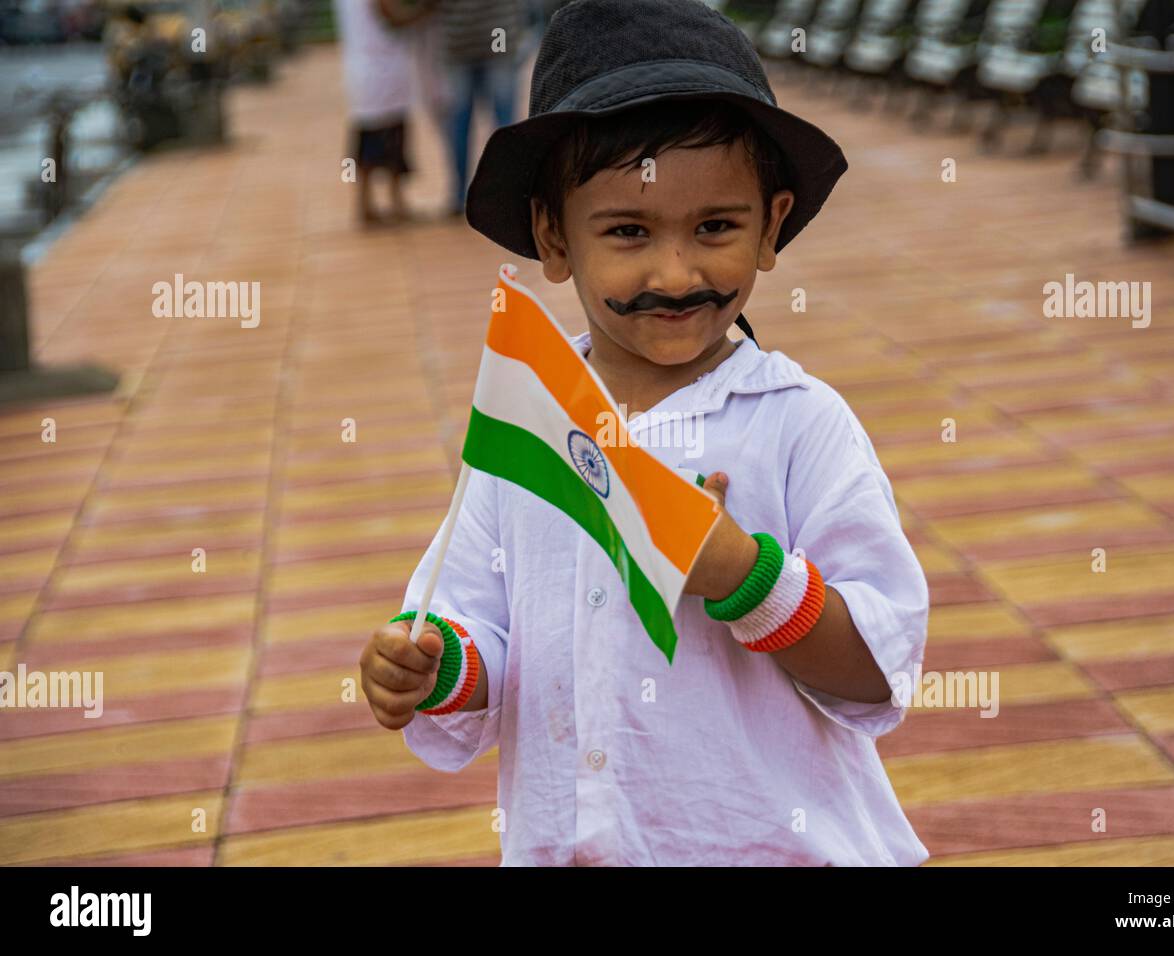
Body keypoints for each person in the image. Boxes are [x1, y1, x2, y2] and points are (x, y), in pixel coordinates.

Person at [358, 0, 931, 866]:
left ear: (771, 225)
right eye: (628, 232)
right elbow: (477, 630)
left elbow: (879, 667)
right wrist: (435, 665)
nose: (675, 271)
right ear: (555, 238)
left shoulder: (799, 424)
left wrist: (747, 578)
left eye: (716, 228)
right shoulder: (526, 431)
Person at [434, 0, 528, 216]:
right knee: (505, 123)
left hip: (459, 40)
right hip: (499, 34)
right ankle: (508, 193)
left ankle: (458, 196)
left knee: (459, 124)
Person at [332, 0, 418, 225]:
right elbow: (391, 14)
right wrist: (426, 10)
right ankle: (396, 202)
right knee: (392, 137)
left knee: (366, 139)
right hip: (383, 68)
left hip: (361, 67)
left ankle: (365, 203)